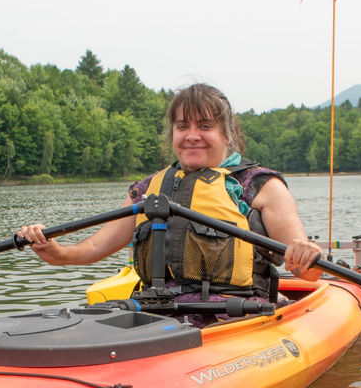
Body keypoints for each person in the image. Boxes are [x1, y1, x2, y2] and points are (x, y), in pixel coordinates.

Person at [17, 83, 323, 326]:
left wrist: (305, 255)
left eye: (205, 126)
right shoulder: (147, 191)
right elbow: (95, 247)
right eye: (182, 127)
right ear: (172, 134)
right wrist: (57, 252)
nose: (192, 136)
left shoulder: (259, 186)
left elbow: (308, 272)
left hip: (234, 315)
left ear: (226, 134)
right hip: (158, 311)